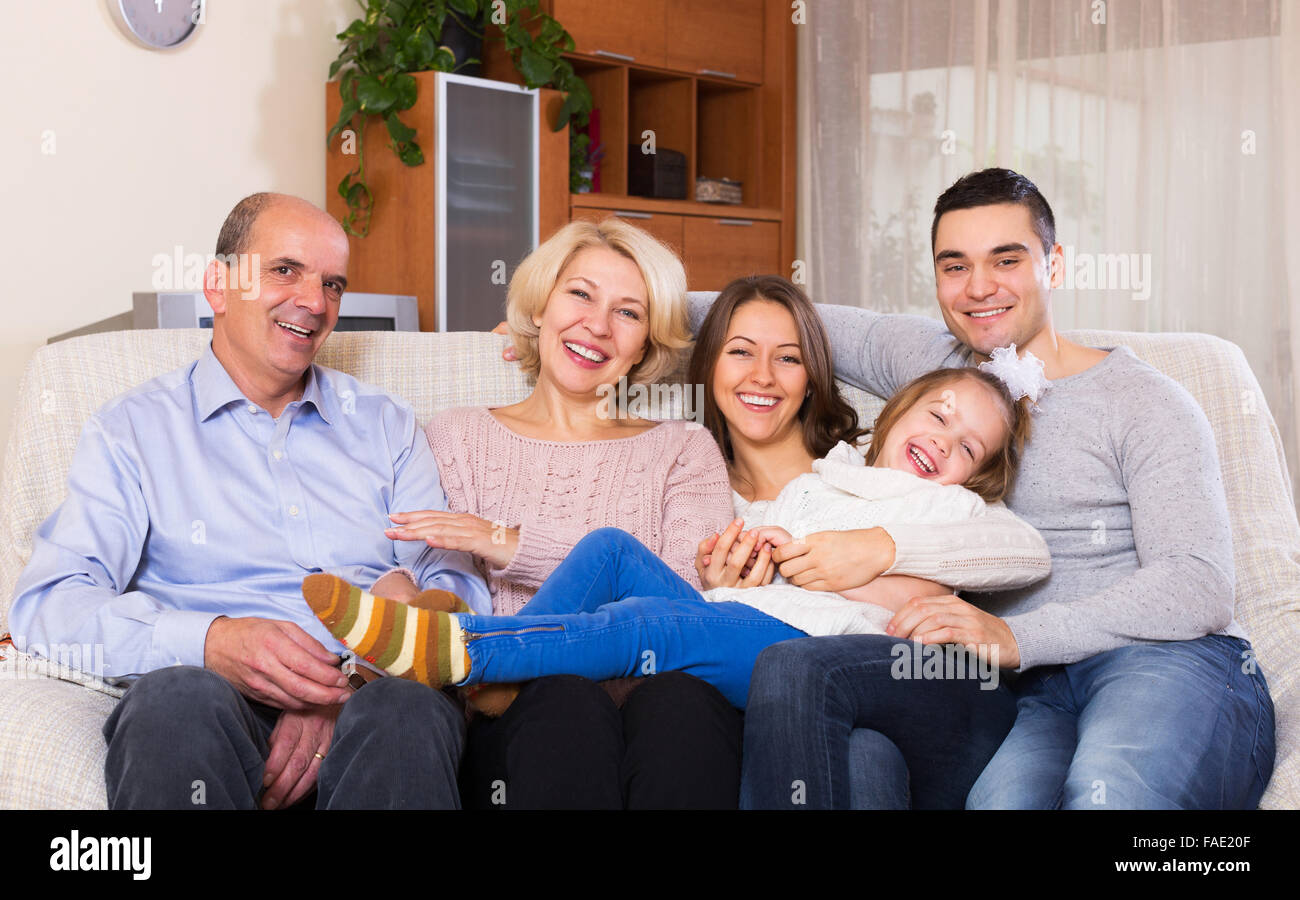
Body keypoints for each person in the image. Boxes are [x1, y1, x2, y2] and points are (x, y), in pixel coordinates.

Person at [308, 275, 1052, 808]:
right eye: (939, 416)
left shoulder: (945, 505)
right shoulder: (829, 477)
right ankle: (498, 678)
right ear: (894, 413)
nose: (944, 443)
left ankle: (467, 651)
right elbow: (730, 591)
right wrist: (550, 320)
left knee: (642, 626)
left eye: (968, 447)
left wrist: (869, 556)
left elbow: (1016, 554)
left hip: (818, 656)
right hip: (748, 627)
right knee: (609, 550)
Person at [729, 168, 1276, 809]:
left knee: (1113, 796)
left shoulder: (1145, 399)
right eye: (954, 266)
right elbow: (765, 311)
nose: (979, 288)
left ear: (1055, 264)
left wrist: (1019, 638)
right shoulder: (936, 369)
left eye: (1006, 260)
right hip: (1027, 695)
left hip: (1161, 660)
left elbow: (1197, 583)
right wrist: (615, 313)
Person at [7, 192, 489, 810]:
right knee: (173, 702)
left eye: (333, 285)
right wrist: (209, 640)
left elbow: (455, 585)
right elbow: (51, 606)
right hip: (209, 704)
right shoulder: (132, 430)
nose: (314, 303)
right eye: (285, 270)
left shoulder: (385, 425)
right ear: (218, 285)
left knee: (404, 711)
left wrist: (355, 678)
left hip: (373, 700)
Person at [356, 217, 746, 809]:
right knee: (564, 696)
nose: (597, 324)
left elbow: (680, 603)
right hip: (520, 718)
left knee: (684, 702)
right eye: (579, 295)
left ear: (649, 341)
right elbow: (445, 598)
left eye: (629, 313)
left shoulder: (684, 448)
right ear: (539, 306)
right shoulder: (461, 438)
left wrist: (511, 544)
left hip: (660, 707)